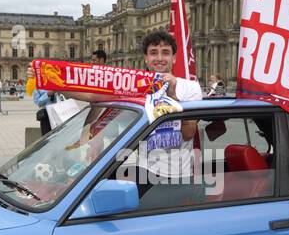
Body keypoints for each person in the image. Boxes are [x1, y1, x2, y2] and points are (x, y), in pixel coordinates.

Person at [70, 30, 203, 206]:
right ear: (146, 58)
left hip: (178, 174)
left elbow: (188, 133)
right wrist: (48, 82)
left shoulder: (190, 88)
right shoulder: (135, 86)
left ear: (174, 58)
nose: (159, 58)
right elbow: (92, 96)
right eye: (153, 53)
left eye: (165, 53)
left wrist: (172, 94)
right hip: (144, 171)